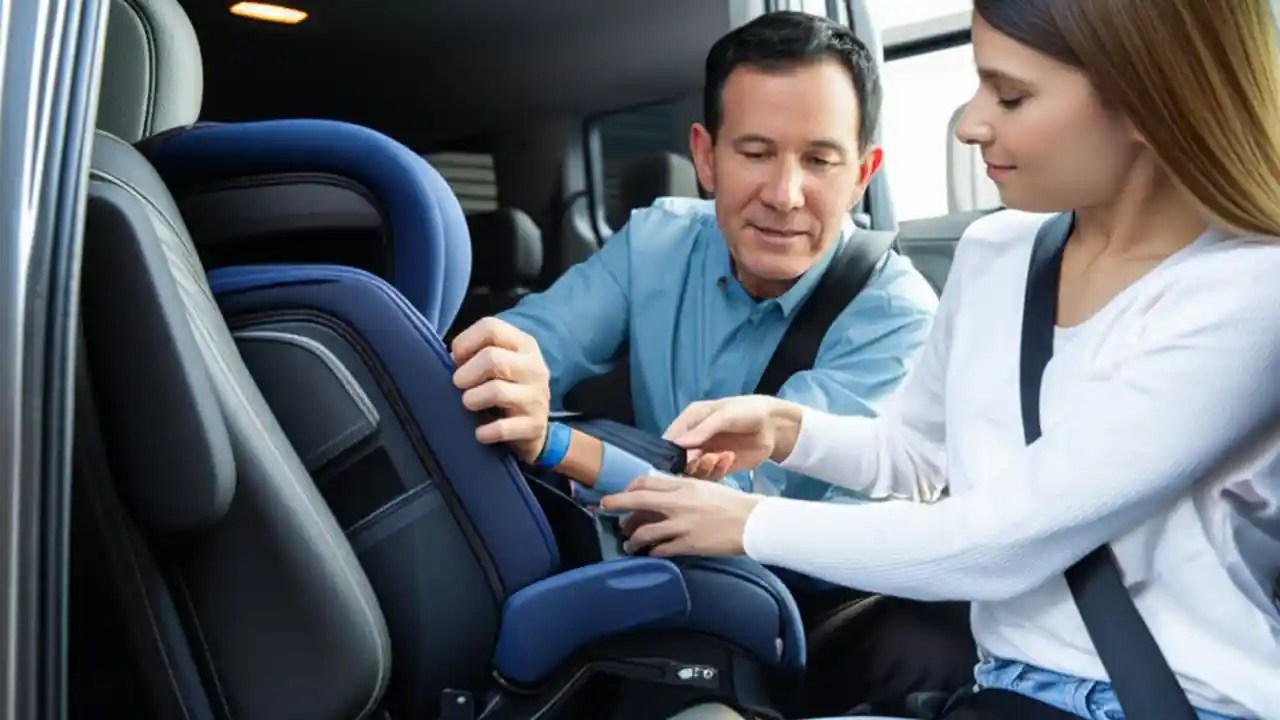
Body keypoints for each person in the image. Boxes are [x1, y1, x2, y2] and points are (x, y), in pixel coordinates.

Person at [604, 1, 1280, 719]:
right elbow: (918, 453)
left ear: (1149, 98)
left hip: (1166, 702)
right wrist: (786, 430)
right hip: (1000, 689)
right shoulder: (998, 254)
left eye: (1011, 95)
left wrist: (745, 522)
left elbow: (1002, 540)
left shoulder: (1246, 294)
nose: (969, 123)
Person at [449, 10, 976, 715]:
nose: (785, 195)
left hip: (828, 605)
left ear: (862, 174)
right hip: (685, 578)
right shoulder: (657, 241)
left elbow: (733, 507)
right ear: (706, 157)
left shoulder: (897, 315)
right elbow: (536, 338)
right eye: (756, 152)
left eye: (819, 160)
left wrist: (556, 442)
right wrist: (507, 363)